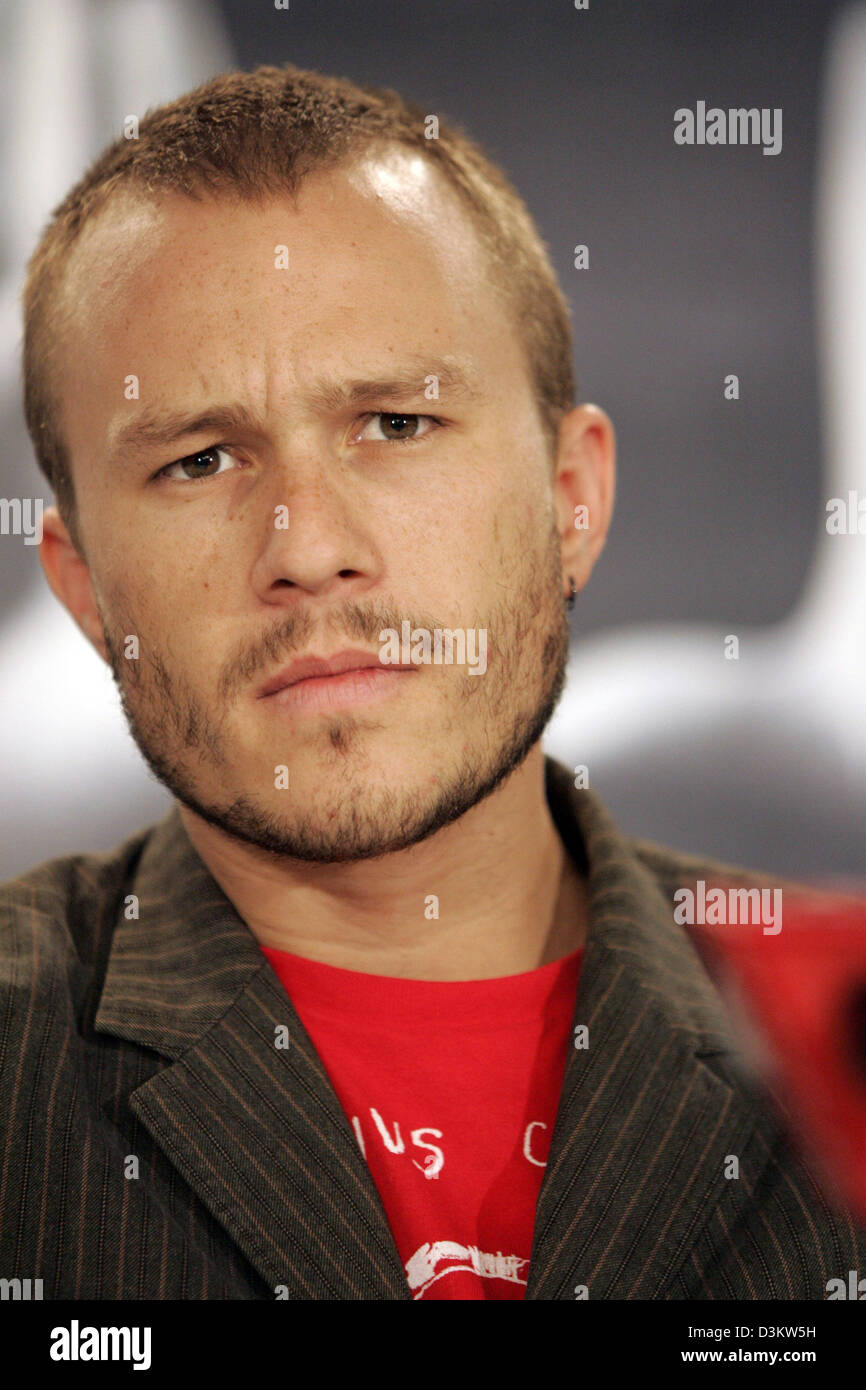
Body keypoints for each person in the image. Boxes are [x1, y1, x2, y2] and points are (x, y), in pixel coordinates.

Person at [1, 63, 862, 1301]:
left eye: (394, 424)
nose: (305, 546)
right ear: (85, 591)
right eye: (198, 460)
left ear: (572, 499)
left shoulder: (840, 1037)